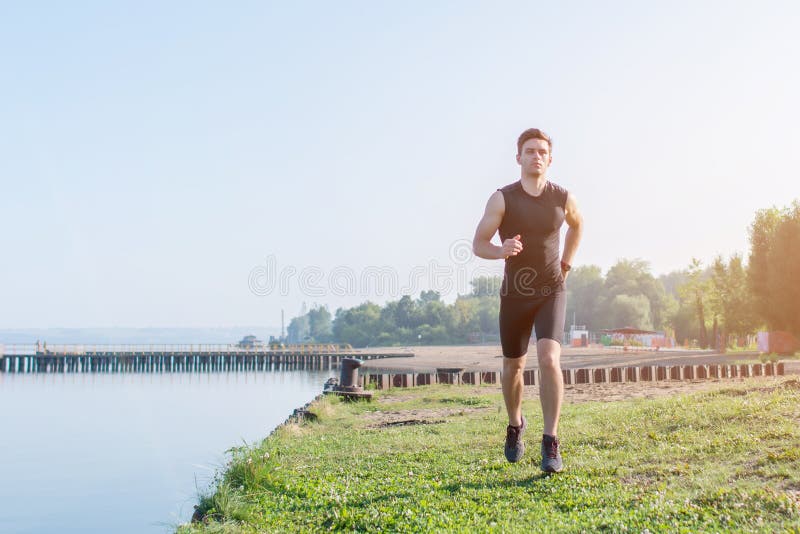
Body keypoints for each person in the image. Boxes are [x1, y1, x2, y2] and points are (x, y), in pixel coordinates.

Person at [472, 128, 583, 472]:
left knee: (549, 358)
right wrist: (499, 250)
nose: (536, 156)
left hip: (552, 289)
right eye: (530, 151)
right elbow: (479, 244)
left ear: (551, 158)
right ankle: (515, 424)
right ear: (518, 157)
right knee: (513, 367)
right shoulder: (502, 199)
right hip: (515, 294)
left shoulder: (562, 197)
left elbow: (578, 227)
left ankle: (551, 442)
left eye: (542, 151)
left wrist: (566, 264)